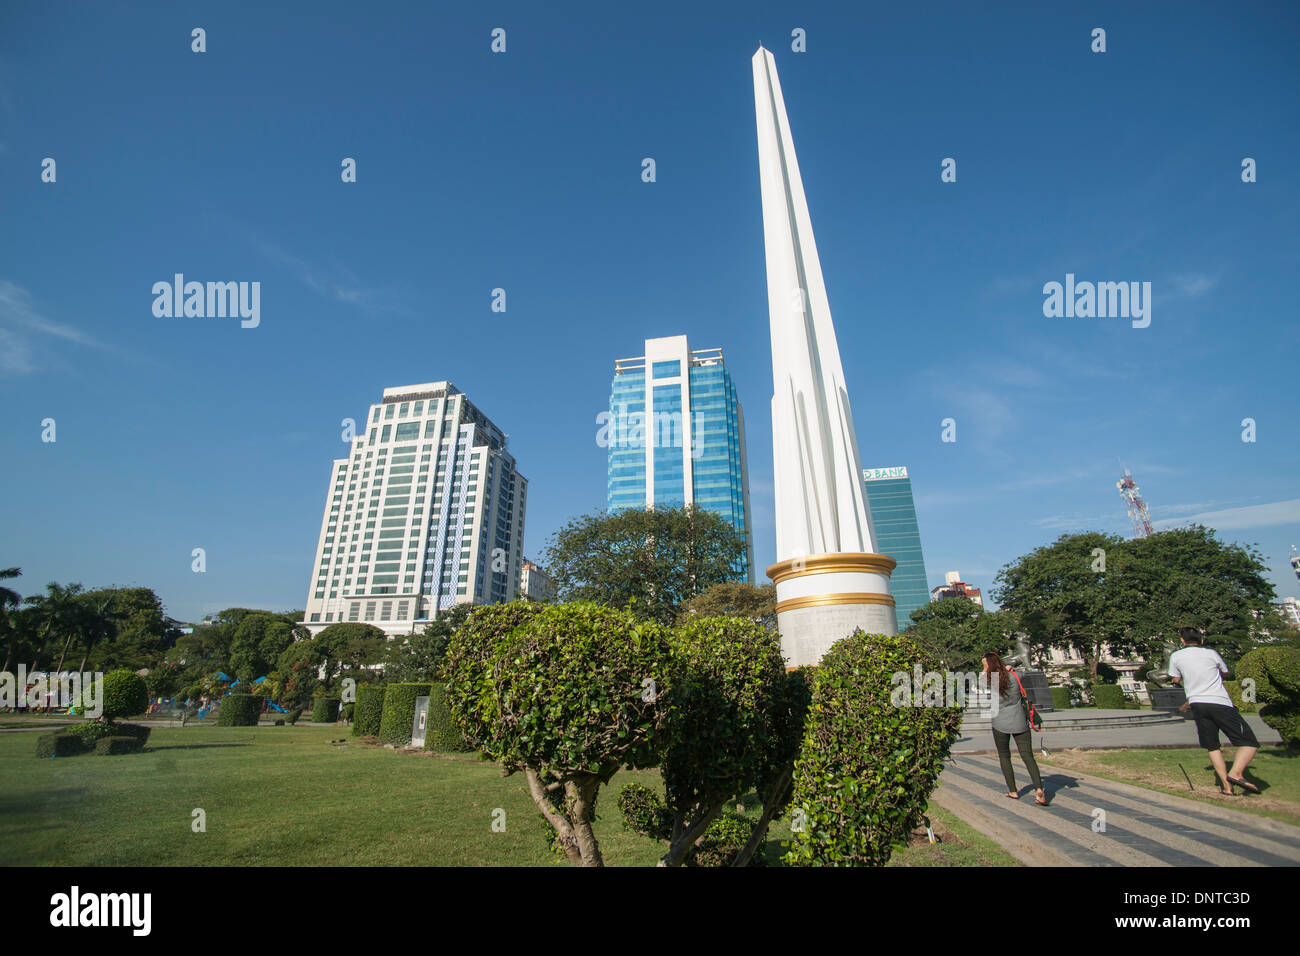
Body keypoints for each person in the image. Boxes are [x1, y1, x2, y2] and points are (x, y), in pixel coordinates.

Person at [1167, 627, 1259, 794]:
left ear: (1182, 641)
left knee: (1212, 746)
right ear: (1201, 640)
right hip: (1219, 702)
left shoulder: (1176, 656)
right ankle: (1236, 773)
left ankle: (1227, 787)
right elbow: (1225, 671)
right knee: (1249, 742)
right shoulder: (1211, 653)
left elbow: (1175, 678)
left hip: (1197, 704)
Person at [984, 652, 1047, 805]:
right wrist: (1009, 668)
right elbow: (1023, 672)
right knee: (1028, 756)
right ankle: (1039, 789)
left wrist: (986, 668)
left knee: (1005, 756)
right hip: (1019, 720)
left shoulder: (988, 679)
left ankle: (1013, 791)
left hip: (999, 722)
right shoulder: (1015, 676)